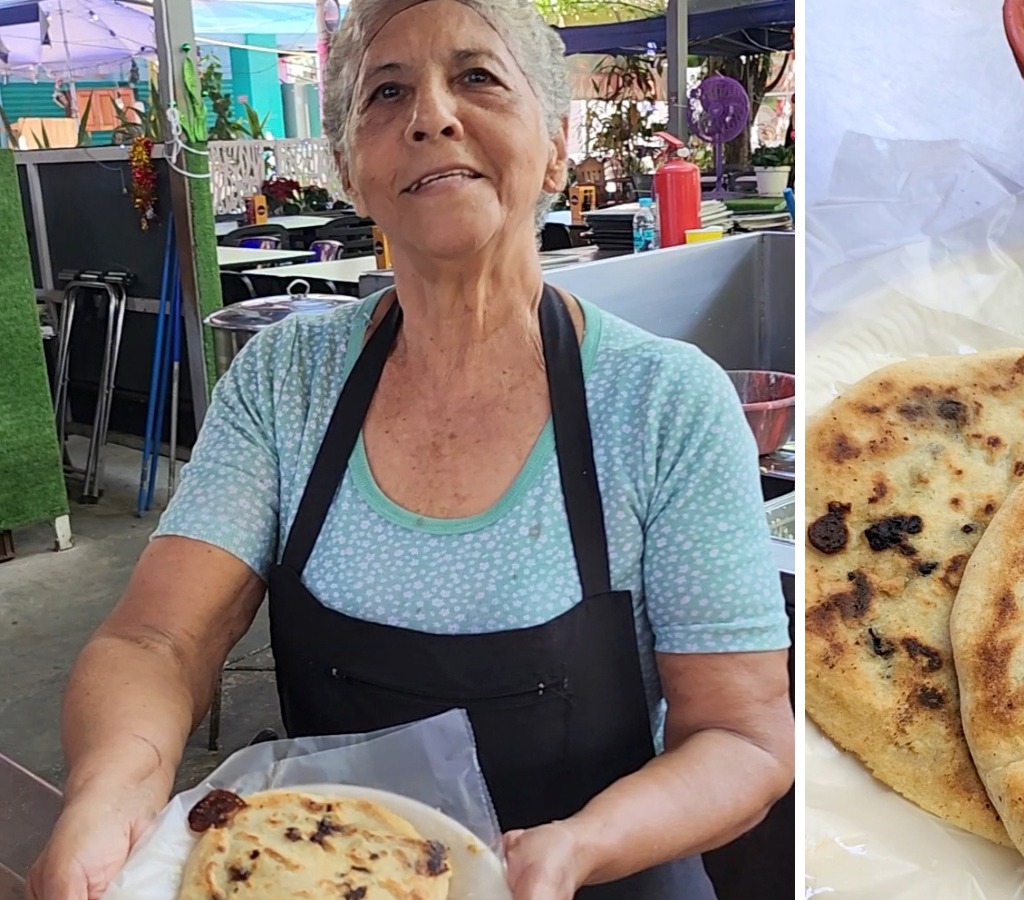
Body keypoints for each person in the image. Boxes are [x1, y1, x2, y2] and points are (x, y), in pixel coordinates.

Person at [26, 0, 794, 897]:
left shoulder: (666, 403)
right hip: (332, 872)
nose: (430, 114)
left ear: (555, 144)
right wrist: (110, 795)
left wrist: (579, 846)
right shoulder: (285, 383)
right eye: (386, 93)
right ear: (351, 170)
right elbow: (156, 638)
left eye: (476, 77)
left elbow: (741, 738)